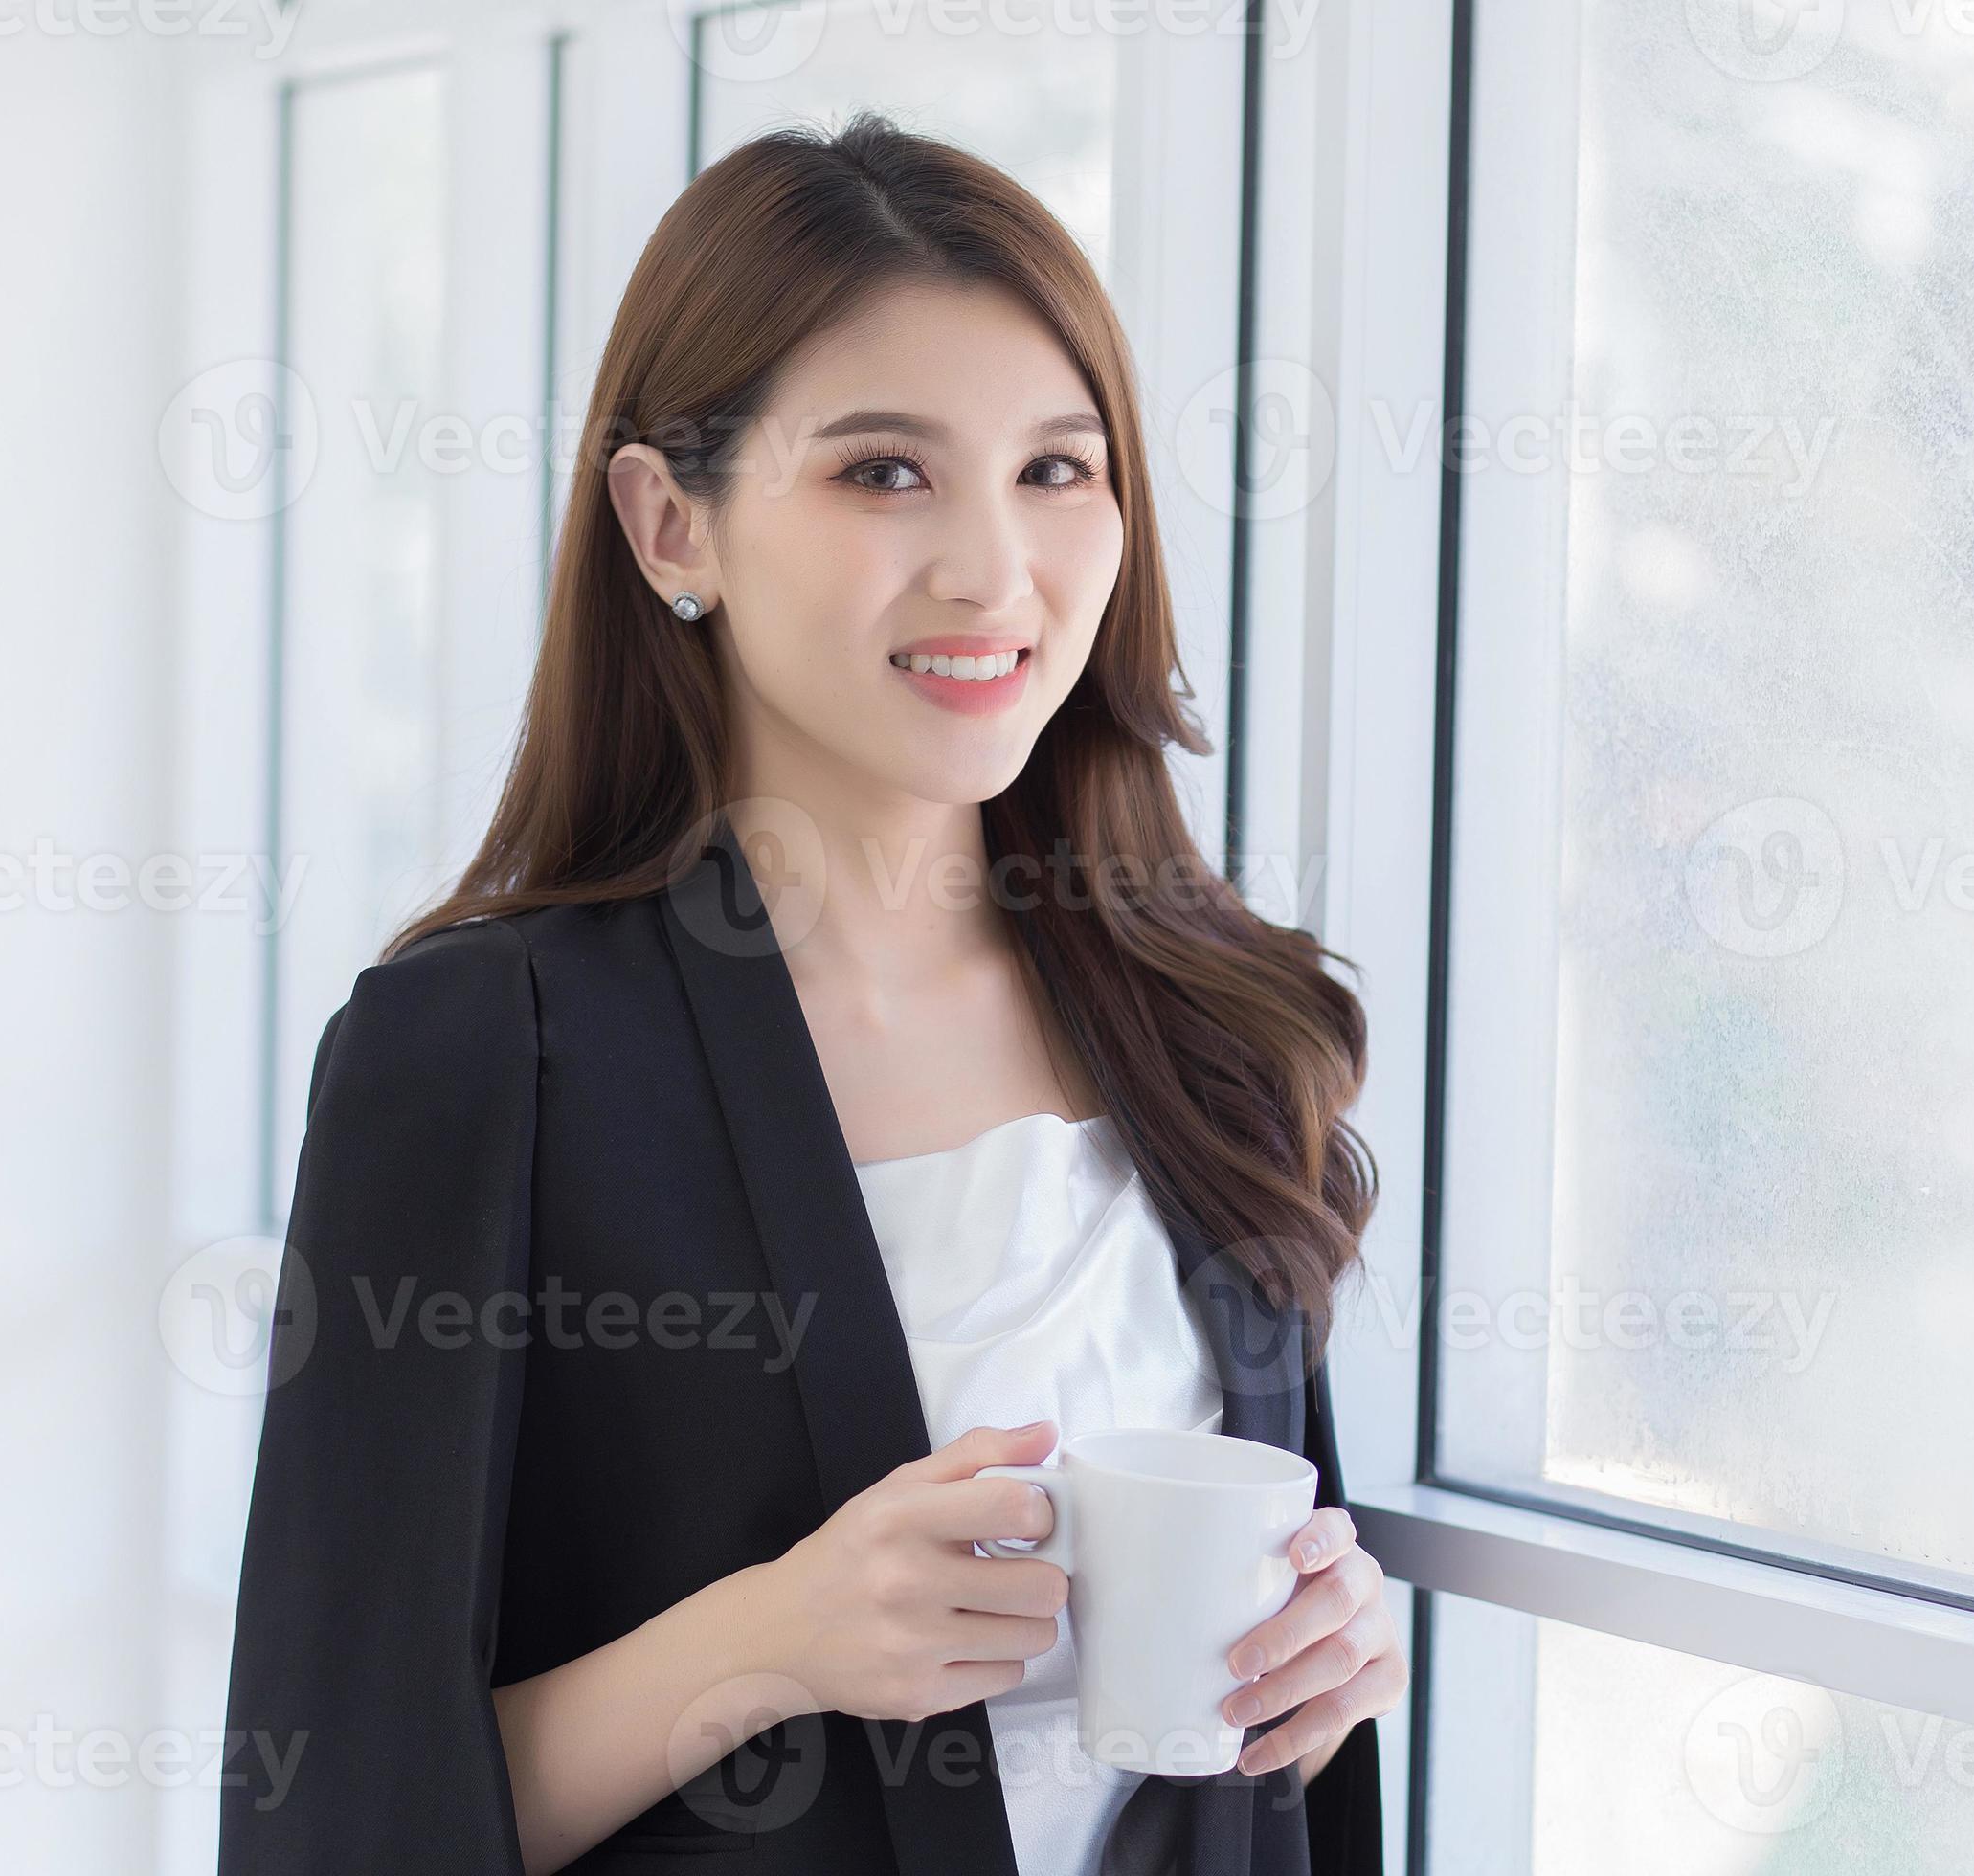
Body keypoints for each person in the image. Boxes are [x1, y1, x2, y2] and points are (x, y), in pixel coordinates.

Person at [217, 113, 1399, 1876]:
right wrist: (771, 1641)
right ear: (669, 518)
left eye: (1057, 471)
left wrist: (1325, 1662)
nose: (994, 570)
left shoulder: (1204, 1024)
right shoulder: (488, 1052)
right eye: (883, 472)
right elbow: (334, 1810)